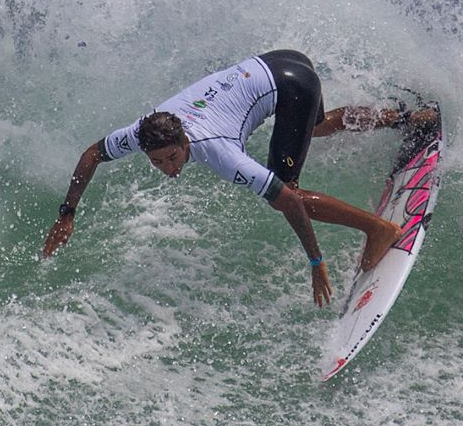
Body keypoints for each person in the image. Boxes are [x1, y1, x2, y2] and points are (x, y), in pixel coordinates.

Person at [40, 49, 438, 307]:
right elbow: (92, 154)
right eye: (158, 162)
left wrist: (316, 262)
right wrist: (67, 212)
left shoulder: (219, 151)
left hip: (292, 86)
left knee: (290, 186)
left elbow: (290, 203)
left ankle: (380, 229)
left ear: (184, 139)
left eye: (172, 157)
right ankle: (412, 119)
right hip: (282, 61)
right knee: (314, 127)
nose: (167, 167)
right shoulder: (142, 132)